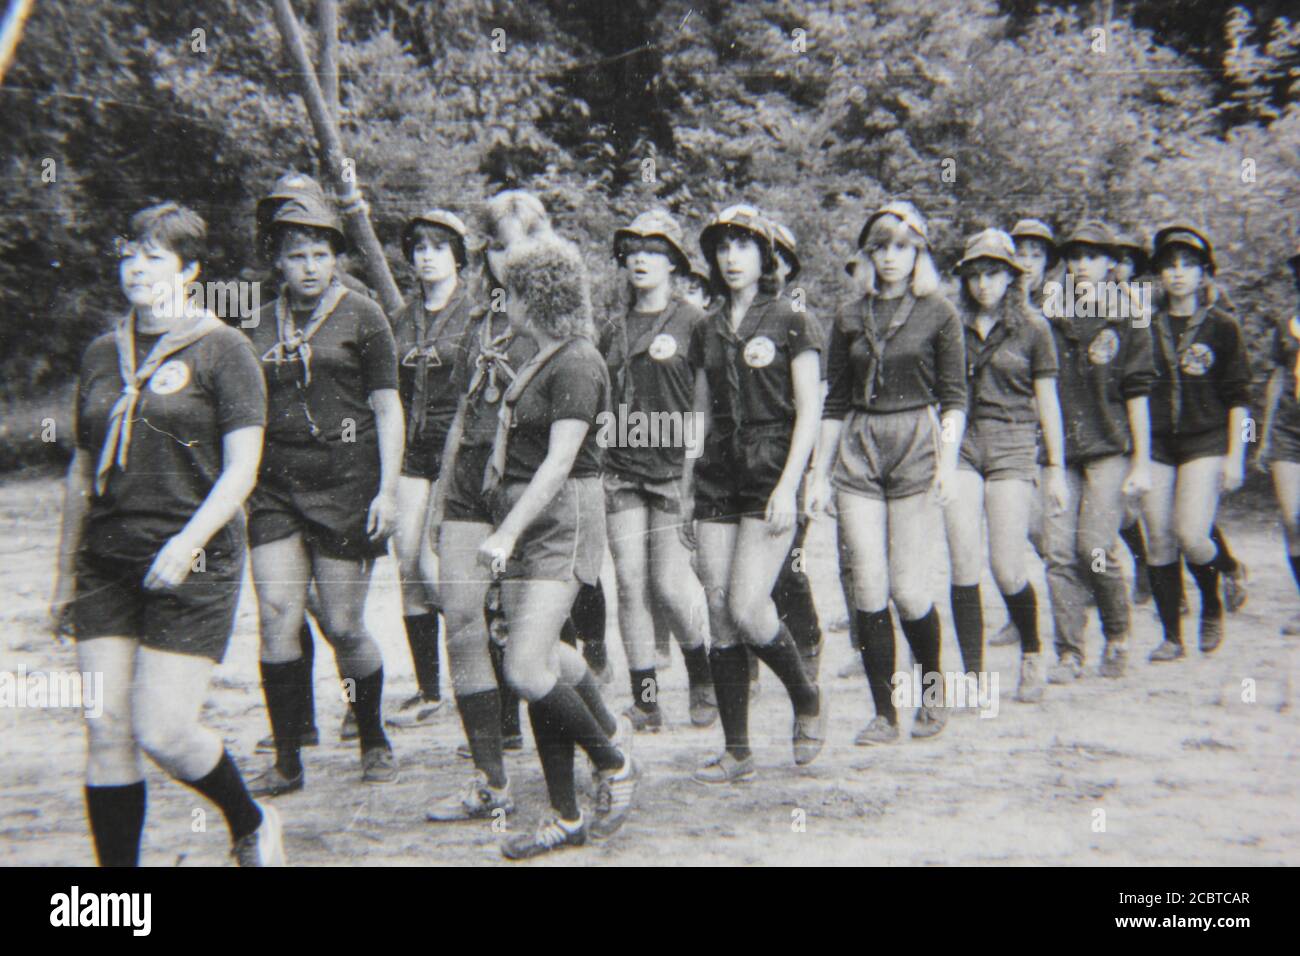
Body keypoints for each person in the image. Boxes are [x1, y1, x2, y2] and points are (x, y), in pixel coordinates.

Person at [51, 202, 284, 866]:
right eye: (129, 254)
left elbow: (243, 469)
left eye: (156, 256)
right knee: (105, 724)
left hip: (194, 559)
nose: (138, 268)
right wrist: (64, 577)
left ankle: (251, 821)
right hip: (107, 560)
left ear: (190, 270)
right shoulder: (102, 352)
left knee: (164, 729)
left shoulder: (224, 349)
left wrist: (186, 545)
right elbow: (79, 471)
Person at [476, 237, 639, 859]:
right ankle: (566, 812)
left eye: (511, 291)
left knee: (525, 669)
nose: (503, 300)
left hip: (560, 519)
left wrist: (508, 531)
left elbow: (561, 461)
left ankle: (614, 761)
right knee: (551, 661)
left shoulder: (576, 361)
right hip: (531, 516)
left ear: (532, 297)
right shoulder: (540, 355)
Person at [244, 196, 403, 795]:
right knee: (277, 615)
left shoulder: (364, 317)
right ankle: (287, 759)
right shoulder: (254, 323)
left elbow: (388, 409)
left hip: (347, 484)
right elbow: (240, 412)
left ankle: (372, 737)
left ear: (337, 258)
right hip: (275, 489)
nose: (309, 266)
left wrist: (387, 489)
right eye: (296, 256)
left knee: (341, 623)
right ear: (277, 263)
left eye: (320, 254)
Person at [809, 201, 965, 743]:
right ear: (868, 254)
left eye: (902, 247)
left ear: (918, 252)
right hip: (860, 446)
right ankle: (883, 713)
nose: (891, 257)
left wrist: (948, 463)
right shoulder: (849, 315)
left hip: (916, 445)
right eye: (881, 246)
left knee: (908, 588)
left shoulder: (939, 312)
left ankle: (931, 692)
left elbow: (954, 400)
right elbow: (834, 402)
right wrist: (817, 472)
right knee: (868, 585)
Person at [682, 204, 828, 785]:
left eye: (743, 245)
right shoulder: (705, 325)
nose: (731, 256)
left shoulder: (793, 317)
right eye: (722, 246)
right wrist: (686, 481)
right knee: (718, 614)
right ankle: (737, 749)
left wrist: (792, 483)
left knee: (747, 605)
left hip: (771, 469)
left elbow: (811, 410)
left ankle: (806, 694)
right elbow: (698, 409)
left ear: (766, 256)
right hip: (718, 470)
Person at [601, 210, 717, 731]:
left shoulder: (695, 322)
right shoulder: (614, 327)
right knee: (629, 583)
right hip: (622, 469)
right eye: (633, 250)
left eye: (653, 249)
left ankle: (704, 679)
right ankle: (646, 700)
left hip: (674, 470)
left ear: (674, 262)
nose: (641, 258)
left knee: (670, 585)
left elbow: (703, 407)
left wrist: (695, 478)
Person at [941, 228, 1066, 703]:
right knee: (962, 559)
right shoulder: (951, 324)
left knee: (1007, 565)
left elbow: (1048, 402)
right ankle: (973, 676)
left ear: (1011, 277)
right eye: (974, 275)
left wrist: (1054, 467)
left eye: (993, 274)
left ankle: (1033, 652)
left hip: (1014, 445)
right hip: (965, 444)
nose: (983, 285)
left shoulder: (1034, 329)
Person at [1040, 220, 1153, 683]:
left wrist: (1142, 461)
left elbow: (1138, 390)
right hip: (1061, 450)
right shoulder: (1049, 311)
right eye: (1076, 255)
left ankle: (1118, 635)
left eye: (1093, 255)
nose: (1083, 263)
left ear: (1111, 262)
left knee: (1094, 548)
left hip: (1109, 446)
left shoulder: (1128, 314)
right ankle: (1069, 652)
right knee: (1058, 552)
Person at [1140, 224, 1250, 660]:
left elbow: (1240, 398)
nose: (1178, 274)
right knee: (1159, 539)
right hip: (1157, 442)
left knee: (1190, 532)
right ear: (1159, 274)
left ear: (1205, 273)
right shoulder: (1145, 325)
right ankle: (1171, 636)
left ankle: (1216, 595)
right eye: (1169, 266)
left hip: (1205, 440)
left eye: (1188, 265)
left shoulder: (1223, 326)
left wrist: (1236, 457)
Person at [386, 209, 478, 727]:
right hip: (408, 450)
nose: (426, 256)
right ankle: (427, 690)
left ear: (458, 256)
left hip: (455, 450)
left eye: (438, 247)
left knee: (431, 565)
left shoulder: (474, 314)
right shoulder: (400, 318)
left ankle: (482, 661)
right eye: (418, 247)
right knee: (407, 570)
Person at [769, 217, 826, 675]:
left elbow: (814, 403)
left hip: (789, 456)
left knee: (788, 561)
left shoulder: (796, 320)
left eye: (776, 258)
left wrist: (809, 470)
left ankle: (806, 642)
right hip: (739, 459)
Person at [1255, 237, 1300, 635]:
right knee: (1292, 516)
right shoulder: (1288, 321)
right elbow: (1278, 376)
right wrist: (1265, 435)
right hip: (1289, 428)